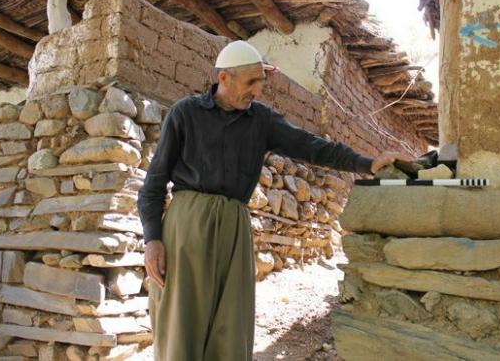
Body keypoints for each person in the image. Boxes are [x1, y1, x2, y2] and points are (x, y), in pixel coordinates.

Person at [137, 40, 405, 361]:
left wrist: (365, 163)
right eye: (251, 82)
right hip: (186, 230)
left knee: (230, 326)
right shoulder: (186, 113)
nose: (257, 91)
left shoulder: (261, 120)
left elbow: (313, 146)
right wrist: (153, 239)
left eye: (261, 83)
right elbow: (153, 182)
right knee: (182, 324)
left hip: (234, 230)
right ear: (224, 78)